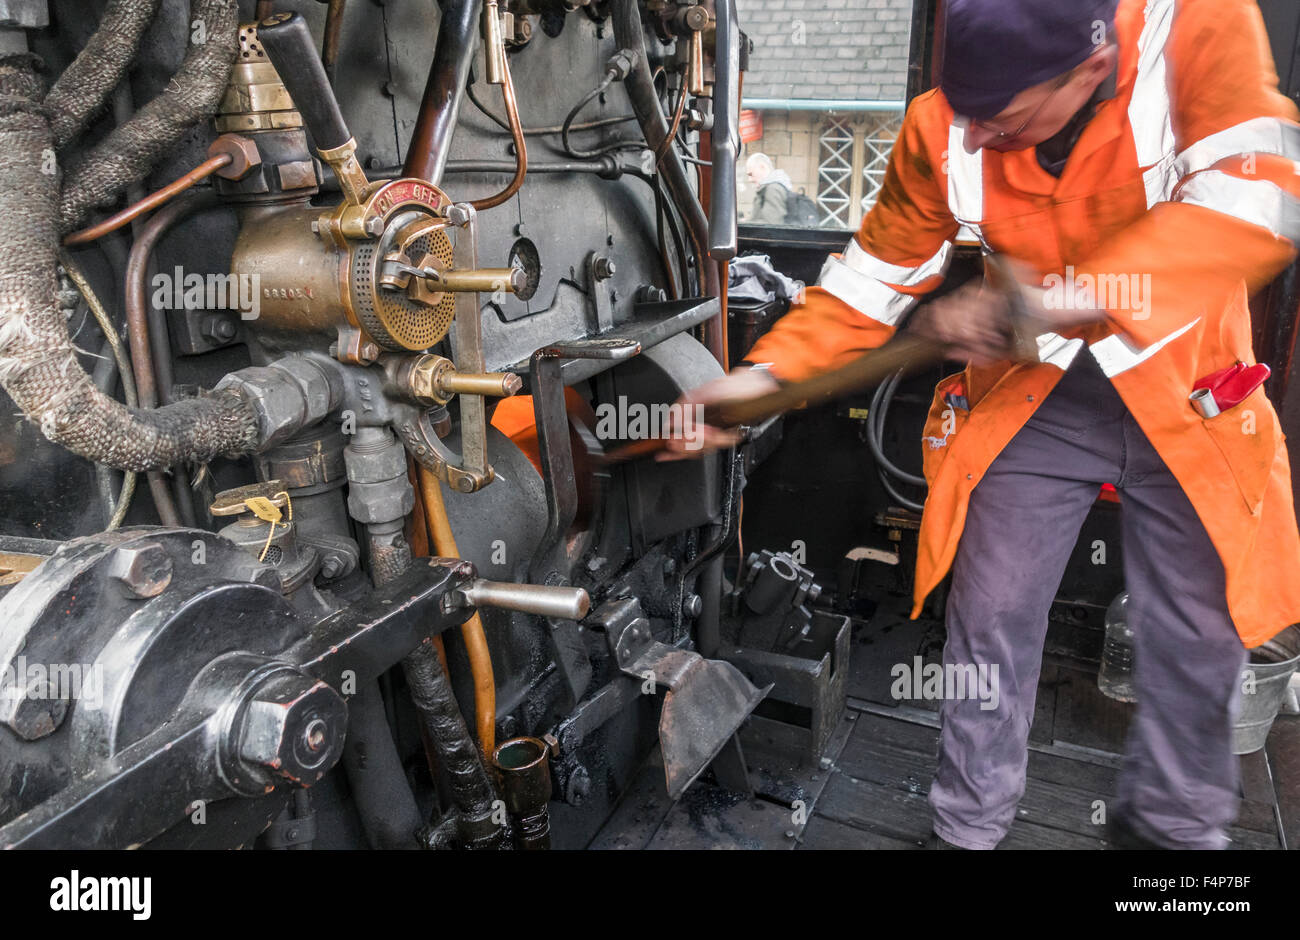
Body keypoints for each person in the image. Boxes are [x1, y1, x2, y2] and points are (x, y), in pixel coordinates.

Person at [671, 0, 1300, 849]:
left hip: (1189, 394)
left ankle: (1175, 836)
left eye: (1000, 122)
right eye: (965, 115)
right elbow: (870, 282)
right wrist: (761, 378)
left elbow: (1253, 205)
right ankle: (968, 826)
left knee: (1194, 632)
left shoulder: (1195, 32)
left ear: (1086, 72)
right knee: (990, 618)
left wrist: (1056, 300)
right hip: (1031, 399)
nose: (973, 141)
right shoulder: (946, 126)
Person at [745, 152, 794, 224]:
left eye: (751, 174)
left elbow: (772, 225)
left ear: (762, 167)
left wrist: (744, 224)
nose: (749, 180)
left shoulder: (772, 189)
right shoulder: (771, 188)